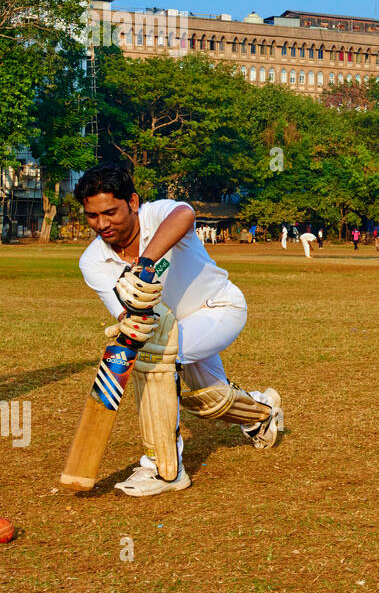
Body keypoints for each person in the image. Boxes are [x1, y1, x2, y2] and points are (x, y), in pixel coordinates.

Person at [74, 164, 283, 496]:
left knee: (154, 358)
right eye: (92, 216)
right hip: (173, 330)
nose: (102, 224)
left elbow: (185, 213)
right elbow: (133, 320)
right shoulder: (93, 262)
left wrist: (146, 262)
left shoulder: (156, 214)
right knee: (211, 400)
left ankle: (164, 469)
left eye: (110, 212)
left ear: (133, 202)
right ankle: (261, 414)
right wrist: (132, 317)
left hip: (218, 308)